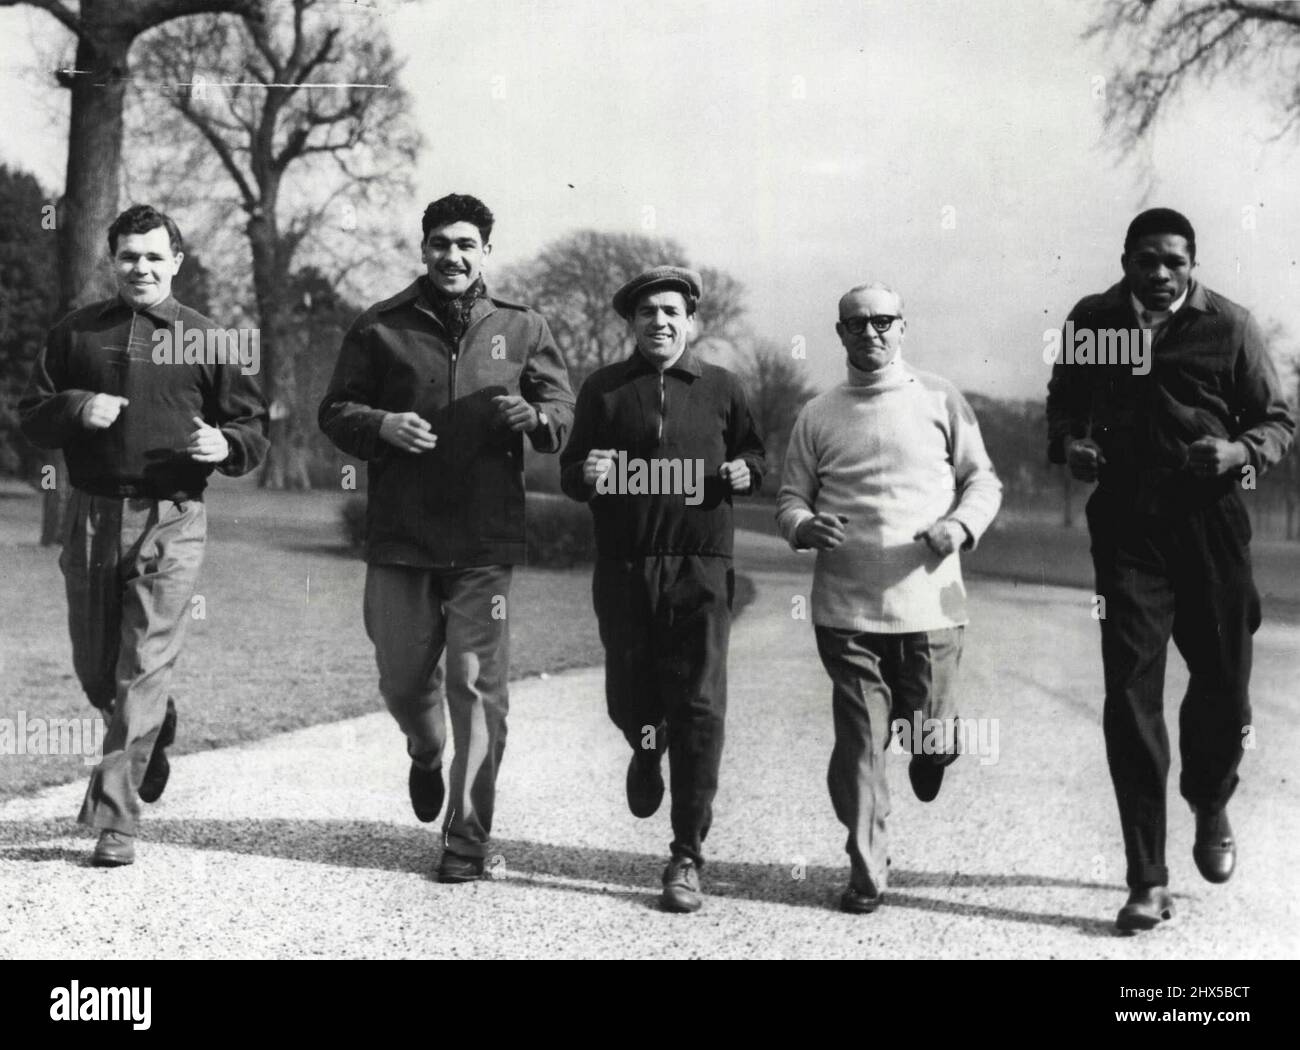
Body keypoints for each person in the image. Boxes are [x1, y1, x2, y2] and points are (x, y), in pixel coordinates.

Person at [1047, 208, 1294, 932]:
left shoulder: (1231, 326)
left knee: (1224, 687)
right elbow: (1063, 405)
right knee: (1129, 694)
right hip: (1127, 529)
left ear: (1193, 265)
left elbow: (1277, 419)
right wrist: (1073, 446)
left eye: (1173, 263)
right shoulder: (1093, 320)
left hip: (1211, 526)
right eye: (1146, 261)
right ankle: (1146, 879)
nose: (1159, 276)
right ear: (1125, 260)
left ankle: (1211, 798)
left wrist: (1239, 453)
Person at [319, 193, 574, 883]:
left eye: (465, 244)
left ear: (485, 250)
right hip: (402, 536)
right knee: (403, 681)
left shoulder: (524, 328)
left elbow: (560, 410)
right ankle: (425, 750)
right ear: (424, 248)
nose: (452, 256)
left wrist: (538, 418)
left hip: (486, 542)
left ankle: (467, 838)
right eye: (440, 243)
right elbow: (335, 411)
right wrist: (382, 426)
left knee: (477, 685)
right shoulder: (380, 326)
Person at [19, 204, 269, 866]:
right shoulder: (76, 334)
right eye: (129, 255)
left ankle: (116, 823)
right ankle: (156, 726)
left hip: (173, 518)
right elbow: (31, 416)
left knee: (142, 663)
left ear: (177, 262)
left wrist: (227, 442)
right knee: (97, 667)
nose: (142, 267)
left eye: (155, 256)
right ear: (112, 260)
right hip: (93, 516)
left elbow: (253, 428)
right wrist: (76, 407)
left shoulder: (210, 338)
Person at [776, 282, 1002, 914]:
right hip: (846, 611)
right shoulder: (817, 414)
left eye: (882, 321)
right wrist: (802, 525)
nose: (869, 333)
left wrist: (959, 527)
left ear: (902, 326)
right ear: (840, 333)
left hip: (931, 607)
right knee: (860, 745)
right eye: (856, 324)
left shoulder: (939, 398)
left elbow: (981, 480)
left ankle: (931, 748)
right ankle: (867, 870)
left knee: (927, 734)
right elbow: (791, 497)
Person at [559, 266, 765, 913]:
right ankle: (646, 752)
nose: (660, 321)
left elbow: (759, 459)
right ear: (632, 322)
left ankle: (686, 857)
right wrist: (584, 471)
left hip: (701, 566)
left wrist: (745, 471)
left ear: (691, 320)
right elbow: (570, 471)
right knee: (630, 697)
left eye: (672, 310)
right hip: (625, 566)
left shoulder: (722, 388)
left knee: (699, 707)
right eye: (647, 311)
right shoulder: (603, 390)